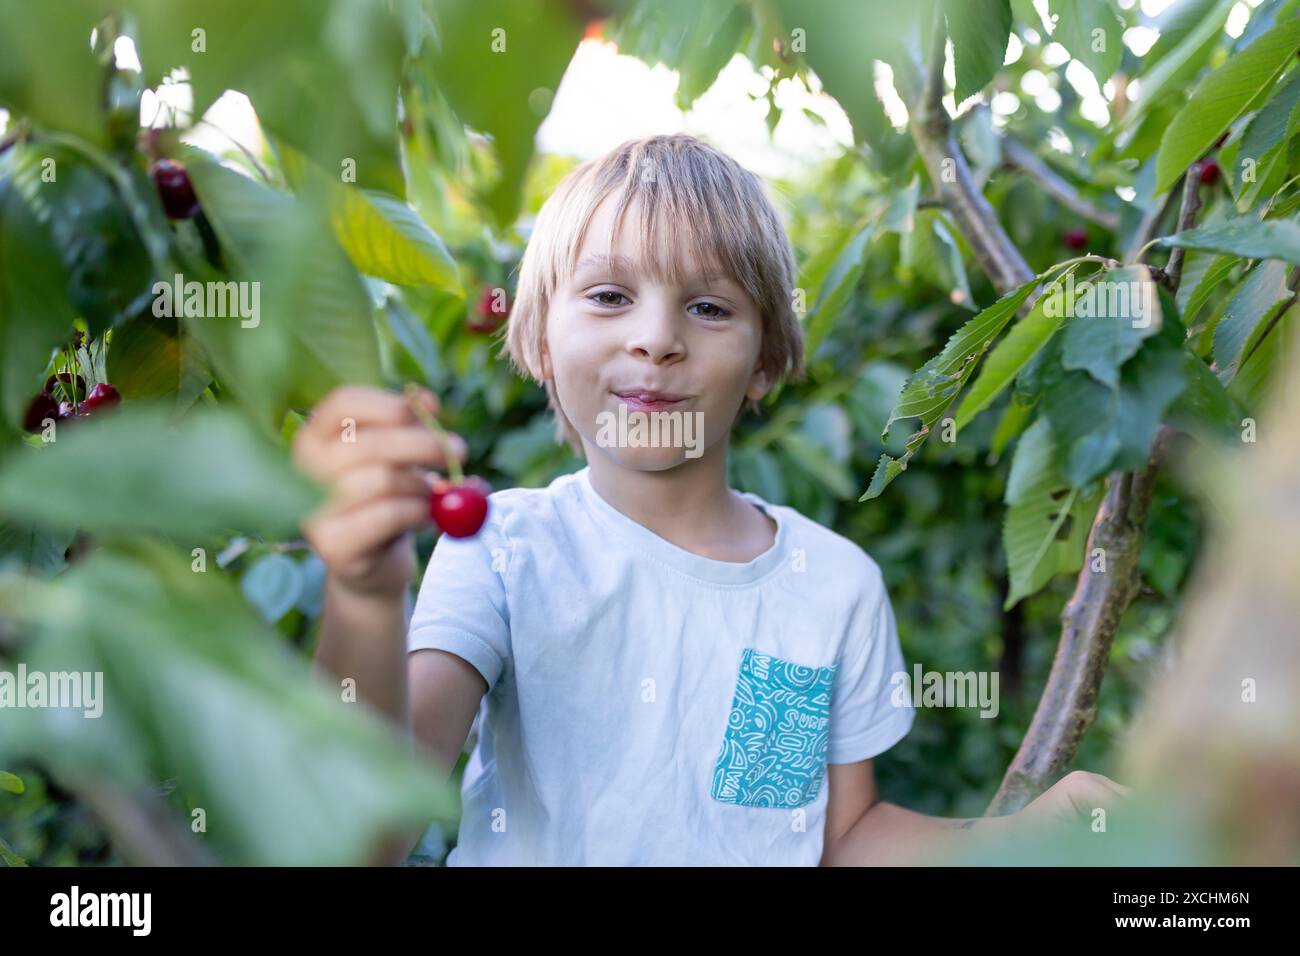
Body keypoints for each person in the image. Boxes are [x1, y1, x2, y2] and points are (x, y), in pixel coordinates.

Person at [295, 134, 1129, 866]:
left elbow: (841, 842)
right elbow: (366, 834)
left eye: (708, 306)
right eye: (610, 296)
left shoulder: (830, 585)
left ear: (764, 361)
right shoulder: (506, 548)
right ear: (541, 337)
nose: (656, 337)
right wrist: (366, 597)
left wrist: (1023, 838)